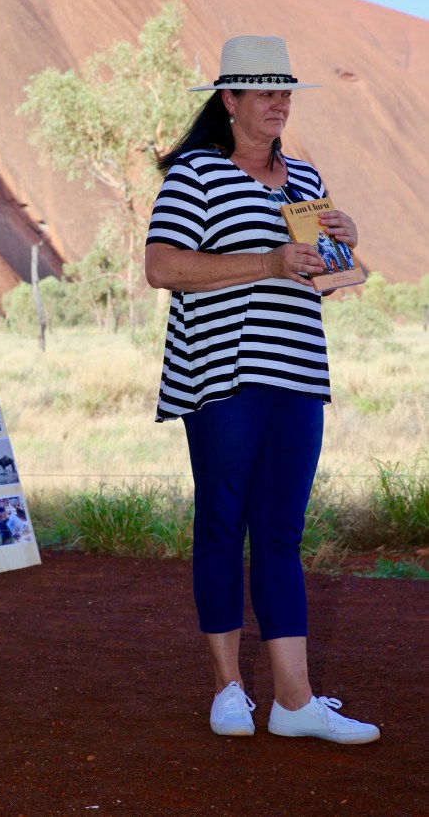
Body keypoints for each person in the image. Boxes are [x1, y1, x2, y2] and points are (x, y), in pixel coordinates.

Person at [145, 36, 380, 745]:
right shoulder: (197, 176)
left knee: (280, 532)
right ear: (231, 101)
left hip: (298, 372)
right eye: (266, 93)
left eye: (286, 93)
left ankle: (293, 701)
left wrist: (348, 242)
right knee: (223, 524)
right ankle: (226, 689)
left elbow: (338, 278)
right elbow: (161, 267)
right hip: (221, 374)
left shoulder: (306, 177)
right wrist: (268, 261)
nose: (280, 103)